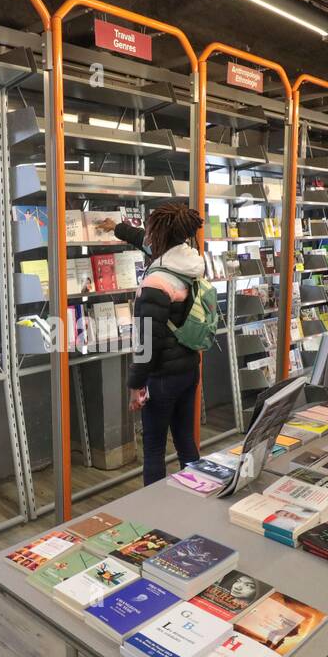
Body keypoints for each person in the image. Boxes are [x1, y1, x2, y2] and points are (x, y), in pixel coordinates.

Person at [120, 203, 205, 485]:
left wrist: (136, 385)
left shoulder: (156, 282)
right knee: (185, 440)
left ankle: (154, 513)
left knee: (154, 448)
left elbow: (147, 342)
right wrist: (117, 228)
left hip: (162, 376)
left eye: (150, 231)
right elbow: (141, 240)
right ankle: (197, 495)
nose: (147, 236)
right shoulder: (190, 265)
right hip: (189, 368)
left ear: (159, 236)